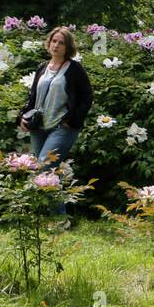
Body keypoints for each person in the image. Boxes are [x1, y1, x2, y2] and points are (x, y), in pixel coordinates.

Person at [20, 26, 93, 217]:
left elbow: (87, 98)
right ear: (49, 43)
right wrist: (22, 116)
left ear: (68, 47)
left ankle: (58, 219)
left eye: (61, 43)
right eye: (54, 41)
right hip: (38, 127)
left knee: (44, 168)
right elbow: (32, 96)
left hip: (62, 127)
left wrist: (72, 120)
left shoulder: (74, 69)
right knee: (43, 173)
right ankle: (48, 217)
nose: (56, 45)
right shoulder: (42, 68)